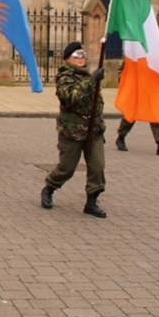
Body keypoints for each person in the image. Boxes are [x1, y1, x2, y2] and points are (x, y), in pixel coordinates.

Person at [40, 41, 107, 218]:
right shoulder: (64, 77)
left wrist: (93, 80)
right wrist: (93, 81)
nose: (80, 58)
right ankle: (50, 187)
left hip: (93, 130)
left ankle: (92, 201)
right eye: (76, 56)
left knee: (97, 167)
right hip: (72, 132)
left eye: (83, 55)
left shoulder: (89, 77)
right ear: (68, 59)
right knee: (67, 168)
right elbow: (72, 98)